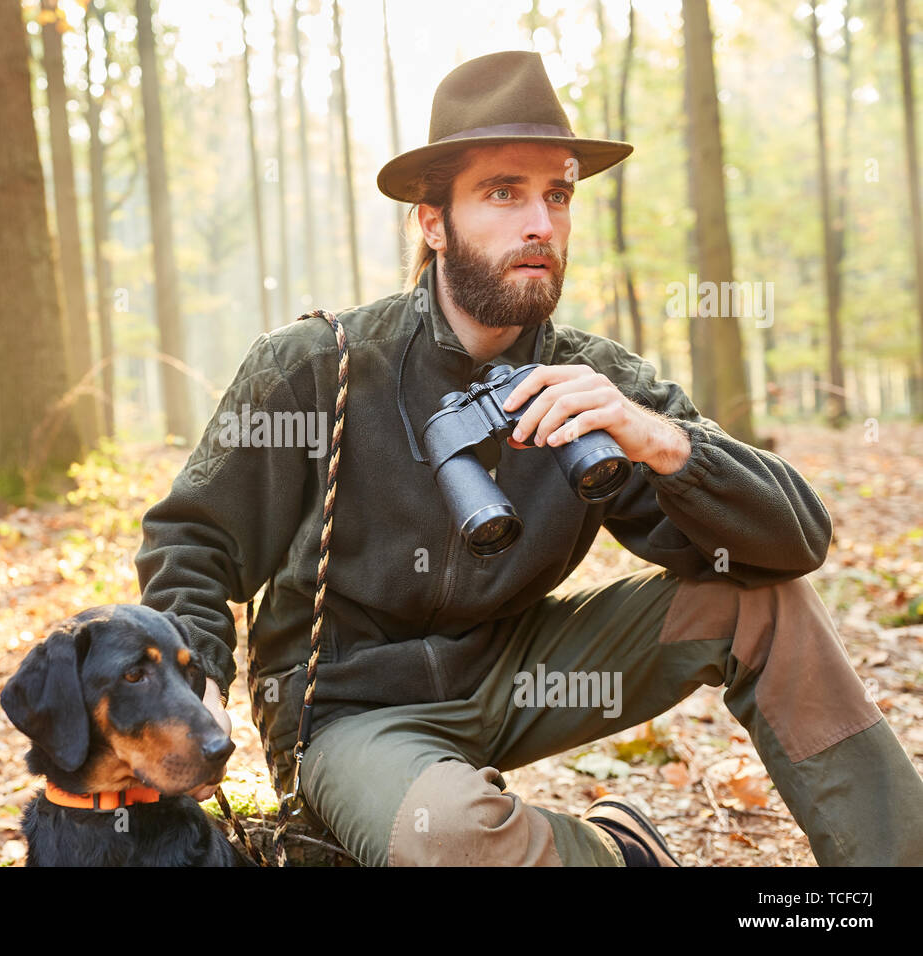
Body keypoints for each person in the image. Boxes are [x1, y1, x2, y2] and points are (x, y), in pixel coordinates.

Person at [135, 50, 923, 866]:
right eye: (504, 192)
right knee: (450, 837)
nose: (541, 222)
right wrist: (193, 690)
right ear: (432, 222)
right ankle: (621, 855)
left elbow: (795, 541)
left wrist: (661, 441)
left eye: (558, 194)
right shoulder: (318, 368)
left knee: (764, 603)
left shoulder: (596, 381)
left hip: (522, 673)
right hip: (349, 712)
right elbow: (195, 543)